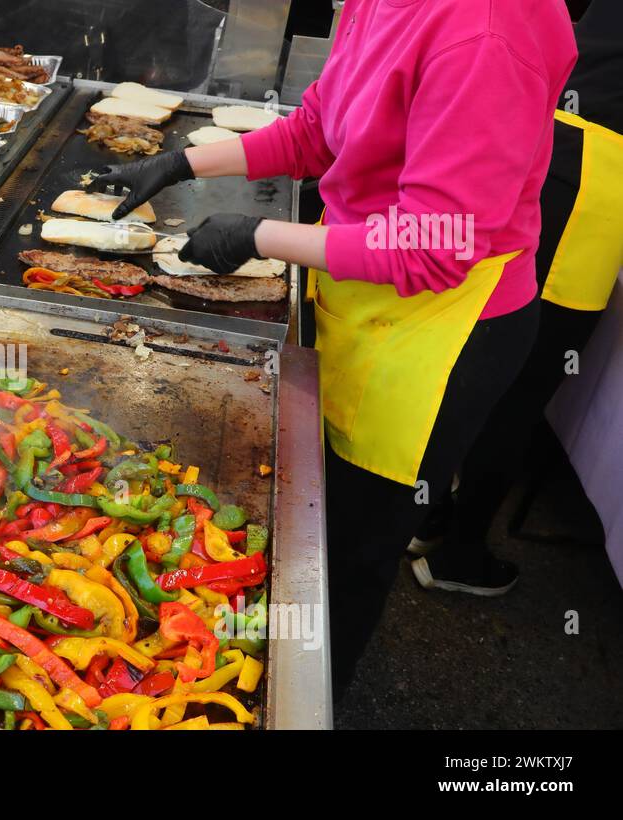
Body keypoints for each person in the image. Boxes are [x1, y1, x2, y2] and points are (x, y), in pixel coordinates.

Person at [91, 0, 578, 695]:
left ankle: (310, 697)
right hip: (361, 292)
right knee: (304, 521)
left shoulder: (485, 29)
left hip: (438, 335)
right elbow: (320, 129)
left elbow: (433, 247)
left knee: (343, 561)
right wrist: (182, 163)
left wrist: (257, 237)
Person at [410, 0, 623, 595]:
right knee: (521, 385)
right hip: (594, 179)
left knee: (487, 354)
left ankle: (426, 515)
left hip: (552, 139)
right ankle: (458, 552)